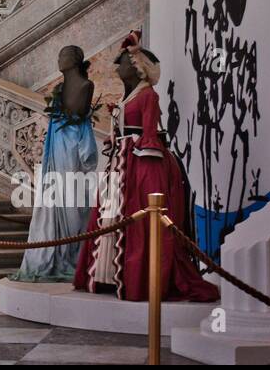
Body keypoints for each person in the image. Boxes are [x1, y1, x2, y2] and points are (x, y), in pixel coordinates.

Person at [73, 31, 220, 302]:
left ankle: (137, 278)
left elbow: (149, 132)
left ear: (139, 68)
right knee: (111, 213)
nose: (119, 66)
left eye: (124, 62)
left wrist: (135, 153)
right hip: (122, 161)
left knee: (138, 215)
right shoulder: (129, 97)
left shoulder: (148, 96)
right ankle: (109, 275)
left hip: (142, 164)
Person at [11, 45, 100, 282]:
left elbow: (77, 115)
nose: (59, 58)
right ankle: (56, 251)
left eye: (64, 55)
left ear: (76, 59)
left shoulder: (86, 86)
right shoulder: (60, 88)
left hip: (72, 149)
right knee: (55, 198)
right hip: (56, 147)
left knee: (73, 201)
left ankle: (72, 252)